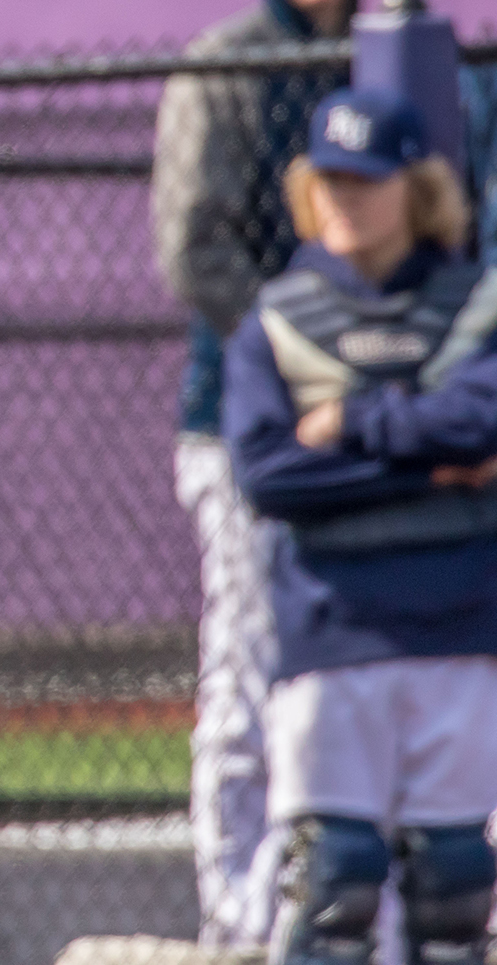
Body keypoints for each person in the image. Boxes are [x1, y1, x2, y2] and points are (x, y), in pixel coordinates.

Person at [224, 88, 497, 965]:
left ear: (417, 187)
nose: (346, 197)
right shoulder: (278, 320)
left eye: (368, 180)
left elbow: (483, 420)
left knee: (454, 886)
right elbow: (268, 474)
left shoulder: (473, 304)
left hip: (455, 624)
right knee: (335, 880)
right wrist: (427, 462)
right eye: (331, 179)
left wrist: (352, 421)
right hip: (333, 627)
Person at [152, 0, 365, 951]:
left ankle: (341, 906)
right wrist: (306, 356)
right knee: (245, 667)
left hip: (375, 430)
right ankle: (235, 915)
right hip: (245, 427)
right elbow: (194, 247)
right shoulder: (229, 65)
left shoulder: (383, 61)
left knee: (361, 676)